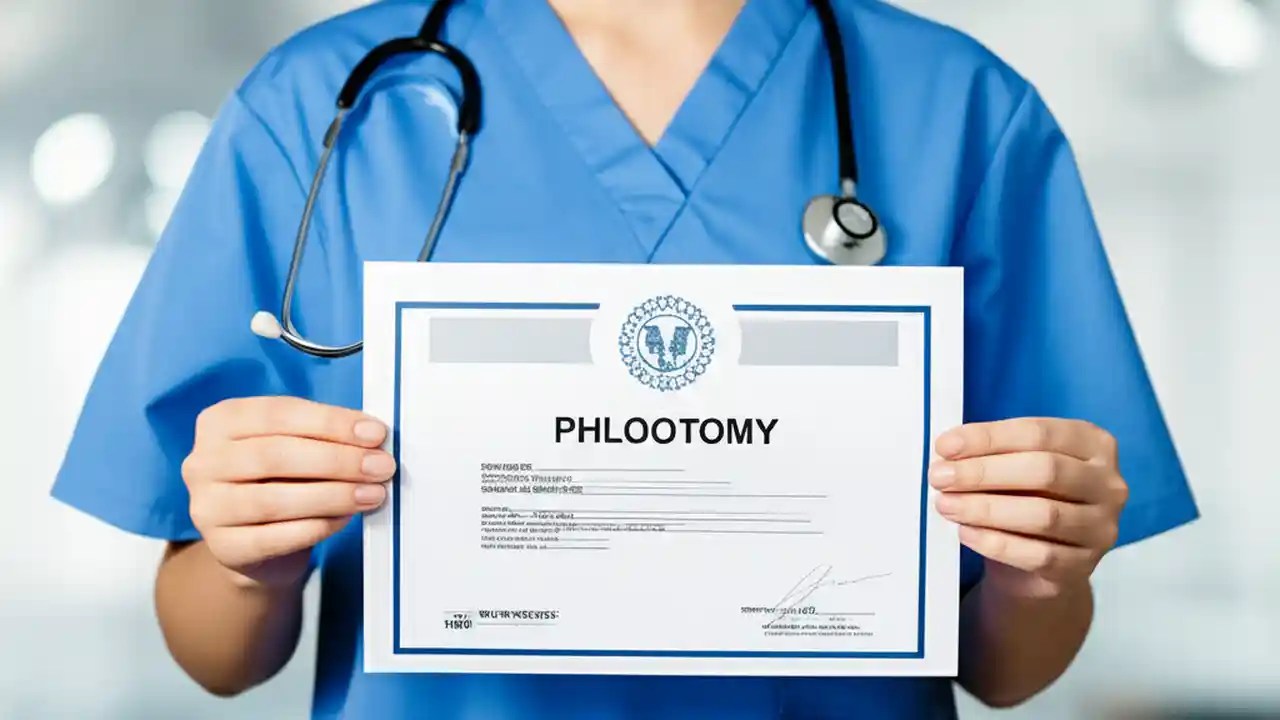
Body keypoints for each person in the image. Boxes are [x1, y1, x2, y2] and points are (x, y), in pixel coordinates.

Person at [52, 0, 1198, 717]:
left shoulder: (955, 108)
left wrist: (1038, 575)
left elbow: (1005, 669)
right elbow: (217, 655)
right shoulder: (322, 106)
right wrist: (248, 569)